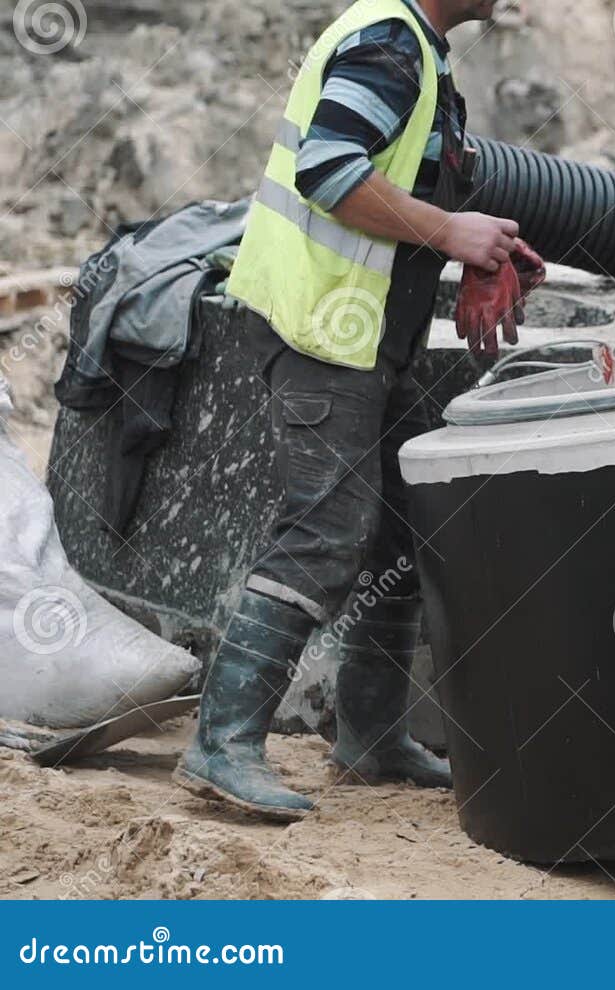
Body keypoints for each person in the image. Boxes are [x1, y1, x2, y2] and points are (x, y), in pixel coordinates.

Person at [175, 0, 536, 821]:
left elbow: (394, 187)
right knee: (324, 533)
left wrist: (479, 249)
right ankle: (221, 743)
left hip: (370, 334)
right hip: (323, 335)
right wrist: (449, 231)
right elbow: (330, 172)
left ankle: (371, 735)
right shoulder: (389, 46)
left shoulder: (421, 53)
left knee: (401, 529)